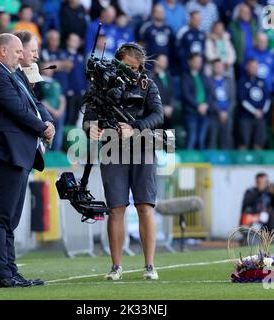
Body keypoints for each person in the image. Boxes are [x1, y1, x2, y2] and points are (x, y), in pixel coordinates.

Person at [0, 33, 55, 288]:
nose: (22, 56)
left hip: (17, 153)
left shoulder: (12, 74)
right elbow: (17, 109)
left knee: (9, 218)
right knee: (0, 216)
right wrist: (42, 127)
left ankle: (9, 270)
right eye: (18, 51)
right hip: (5, 152)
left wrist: (47, 122)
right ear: (3, 50)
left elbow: (32, 102)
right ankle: (0, 273)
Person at [82, 42, 163, 281]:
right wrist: (90, 128)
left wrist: (135, 127)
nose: (133, 72)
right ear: (117, 61)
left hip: (144, 147)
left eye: (136, 68)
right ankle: (116, 266)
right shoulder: (100, 84)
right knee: (116, 208)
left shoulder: (148, 84)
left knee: (145, 206)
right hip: (111, 148)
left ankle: (149, 265)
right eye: (128, 66)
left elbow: (157, 115)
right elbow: (89, 116)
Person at [181, 53, 215, 150]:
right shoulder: (185, 76)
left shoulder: (204, 76)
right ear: (190, 62)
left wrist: (205, 105)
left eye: (200, 62)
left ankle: (201, 163)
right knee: (192, 138)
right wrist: (198, 106)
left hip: (205, 112)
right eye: (196, 61)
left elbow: (210, 93)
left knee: (201, 139)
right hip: (191, 112)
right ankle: (187, 162)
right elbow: (186, 94)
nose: (198, 64)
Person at [237, 58, 271, 150]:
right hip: (246, 117)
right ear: (247, 67)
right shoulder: (242, 81)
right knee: (244, 142)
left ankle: (259, 163)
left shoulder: (262, 81)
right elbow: (242, 100)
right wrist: (254, 111)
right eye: (252, 66)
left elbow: (267, 99)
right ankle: (242, 162)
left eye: (256, 67)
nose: (254, 69)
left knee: (259, 142)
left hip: (260, 116)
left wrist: (262, 111)